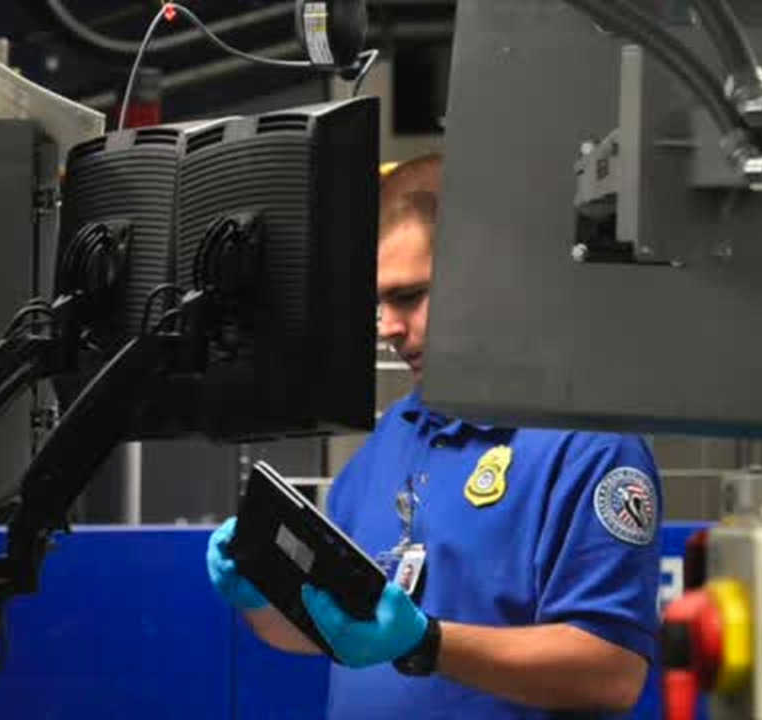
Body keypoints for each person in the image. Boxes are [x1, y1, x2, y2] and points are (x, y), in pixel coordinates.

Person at [206, 153, 662, 719]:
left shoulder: (585, 446)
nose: (389, 328)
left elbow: (610, 671)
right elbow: (338, 631)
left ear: (488, 277)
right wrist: (260, 591)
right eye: (380, 303)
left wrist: (427, 643)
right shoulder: (392, 439)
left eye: (410, 297)